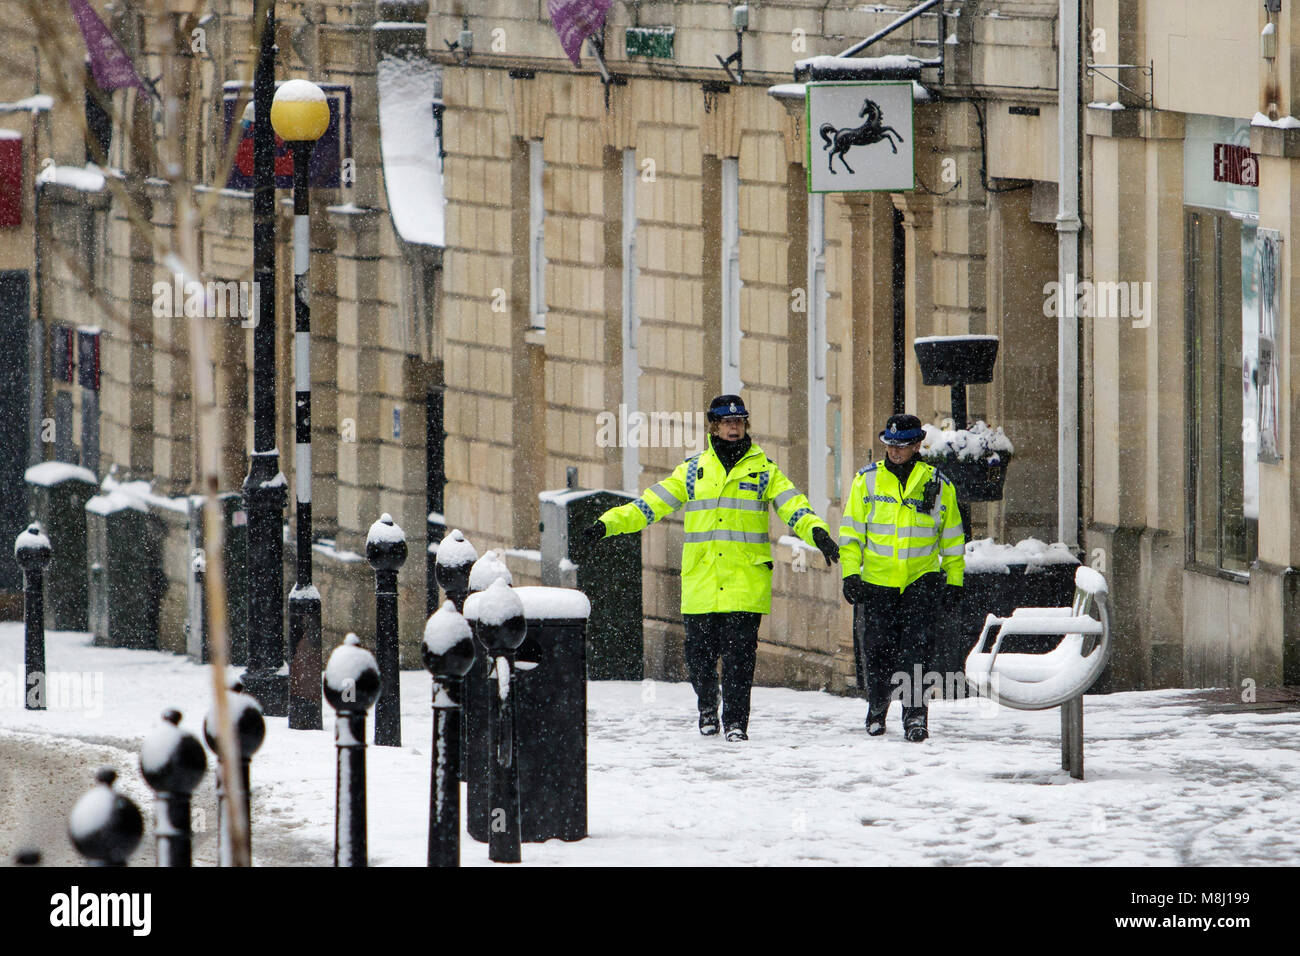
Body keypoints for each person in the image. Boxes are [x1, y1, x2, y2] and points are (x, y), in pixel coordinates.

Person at [581, 394, 839, 741]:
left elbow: (794, 505)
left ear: (745, 425)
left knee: (739, 659)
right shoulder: (692, 472)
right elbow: (648, 505)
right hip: (702, 580)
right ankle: (707, 706)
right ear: (714, 426)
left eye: (739, 422)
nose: (734, 428)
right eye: (727, 422)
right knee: (699, 658)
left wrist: (817, 532)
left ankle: (735, 722)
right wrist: (605, 525)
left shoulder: (765, 471)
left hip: (745, 580)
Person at [839, 413, 964, 742]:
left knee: (918, 652)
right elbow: (851, 535)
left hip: (920, 580)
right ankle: (877, 709)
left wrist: (955, 580)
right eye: (890, 445)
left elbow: (952, 539)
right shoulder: (866, 481)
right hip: (877, 582)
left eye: (903, 445)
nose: (895, 451)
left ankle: (915, 716)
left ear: (918, 444)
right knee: (878, 650)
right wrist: (851, 574)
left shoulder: (937, 484)